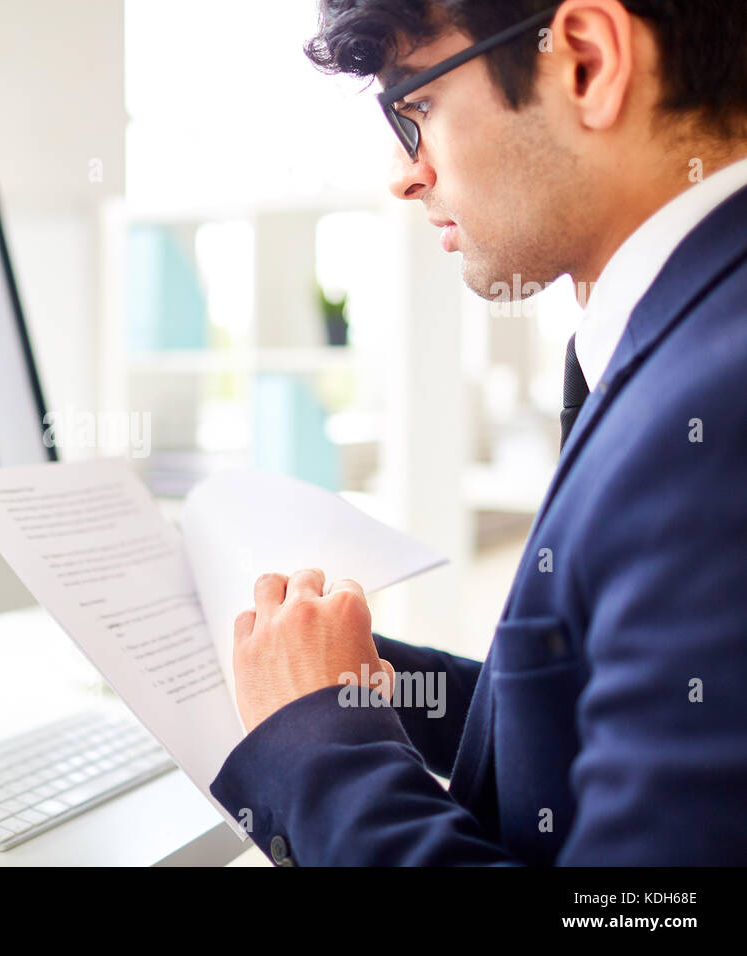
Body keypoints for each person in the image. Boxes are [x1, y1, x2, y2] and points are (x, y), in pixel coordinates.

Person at [211, 0, 747, 865]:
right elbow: (586, 727)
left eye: (411, 108)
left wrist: (318, 748)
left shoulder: (718, 417)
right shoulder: (693, 332)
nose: (401, 174)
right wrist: (355, 683)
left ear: (585, 60)